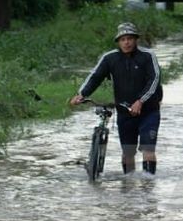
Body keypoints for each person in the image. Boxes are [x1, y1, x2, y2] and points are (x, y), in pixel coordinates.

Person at [69, 22, 163, 176]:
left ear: (135, 40)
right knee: (127, 154)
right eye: (123, 39)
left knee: (148, 150)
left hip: (148, 111)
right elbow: (95, 77)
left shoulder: (147, 56)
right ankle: (129, 184)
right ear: (118, 42)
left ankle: (148, 187)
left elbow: (154, 79)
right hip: (124, 111)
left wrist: (140, 101)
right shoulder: (110, 58)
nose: (126, 42)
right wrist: (82, 94)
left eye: (130, 39)